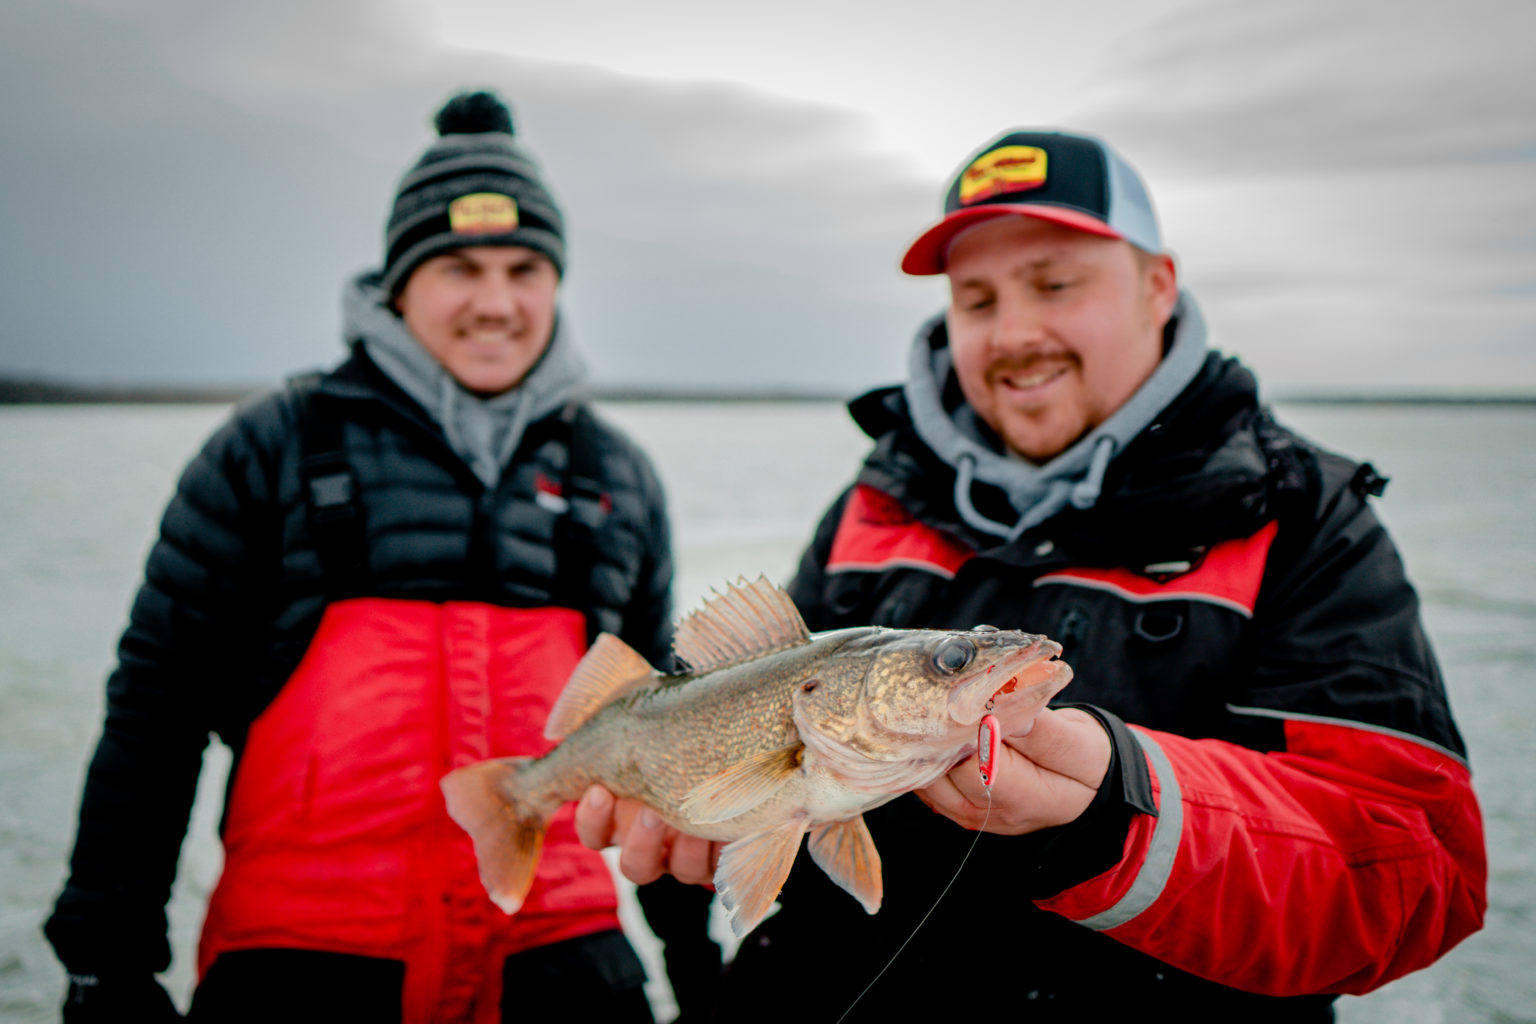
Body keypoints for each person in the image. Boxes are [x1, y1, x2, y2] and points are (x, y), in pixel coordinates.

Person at [574, 128, 1488, 1020]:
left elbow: (1422, 879)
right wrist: (711, 815)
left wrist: (1118, 807)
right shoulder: (873, 504)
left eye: (1054, 284)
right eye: (976, 300)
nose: (1013, 333)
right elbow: (765, 737)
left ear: (1157, 286)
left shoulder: (1305, 518)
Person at [44, 90, 702, 1023]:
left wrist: (695, 957)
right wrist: (105, 965)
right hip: (303, 966)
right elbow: (157, 711)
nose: (496, 303)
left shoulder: (617, 478)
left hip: (563, 961)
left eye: (525, 269)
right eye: (459, 268)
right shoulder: (271, 447)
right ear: (398, 283)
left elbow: (669, 736)